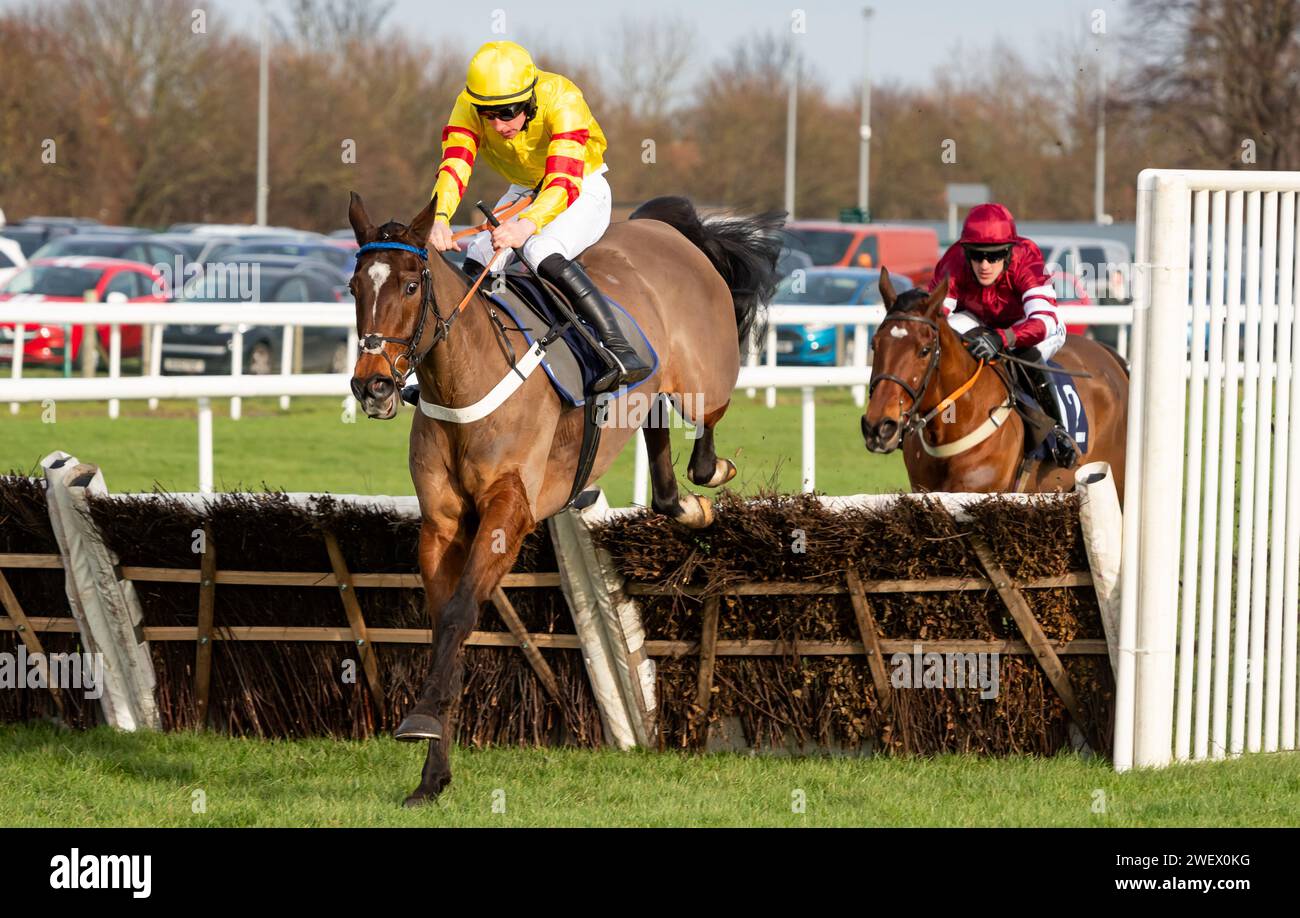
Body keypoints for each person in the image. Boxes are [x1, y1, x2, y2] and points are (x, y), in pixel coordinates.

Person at [426, 40, 649, 393]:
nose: (498, 126)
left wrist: (525, 226)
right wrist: (439, 217)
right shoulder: (467, 106)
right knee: (480, 253)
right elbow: (455, 164)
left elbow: (563, 180)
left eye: (508, 112)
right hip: (524, 189)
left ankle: (620, 349)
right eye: (488, 115)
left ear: (529, 101)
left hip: (580, 184)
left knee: (538, 249)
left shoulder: (563, 97)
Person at [928, 203, 1077, 467]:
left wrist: (1003, 338)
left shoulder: (1026, 258)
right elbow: (934, 316)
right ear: (966, 252)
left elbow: (1044, 320)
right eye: (976, 255)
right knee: (944, 340)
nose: (984, 265)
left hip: (1030, 326)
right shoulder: (954, 260)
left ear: (1008, 252)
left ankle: (1059, 434)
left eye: (994, 257)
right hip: (979, 321)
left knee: (1024, 354)